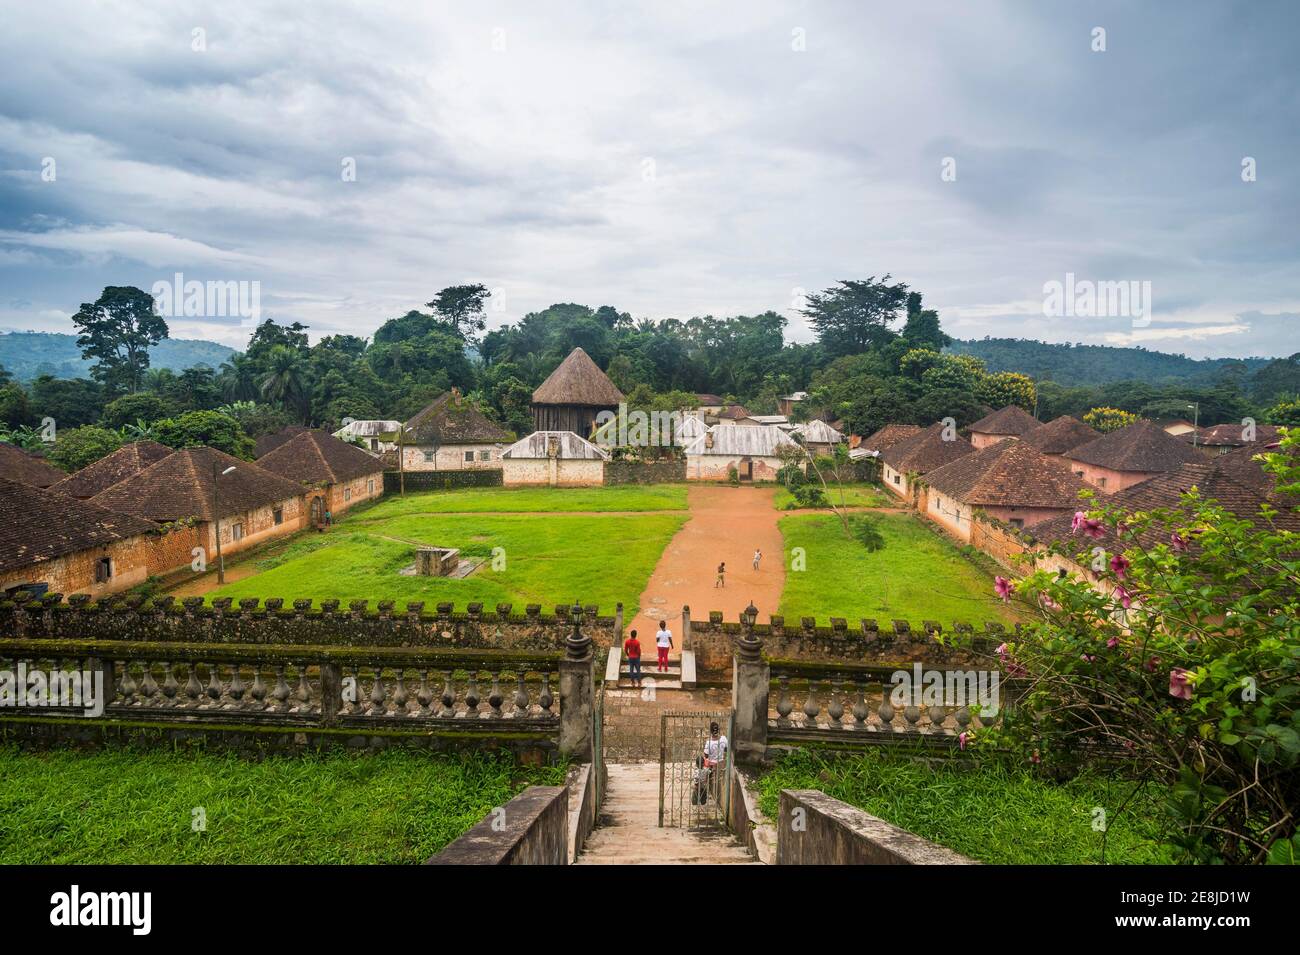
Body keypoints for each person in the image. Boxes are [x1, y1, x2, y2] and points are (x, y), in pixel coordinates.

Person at [696, 721, 729, 805]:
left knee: (701, 766)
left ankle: (701, 790)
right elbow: (727, 750)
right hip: (722, 763)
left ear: (710, 731)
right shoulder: (724, 739)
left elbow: (706, 755)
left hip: (712, 765)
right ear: (719, 730)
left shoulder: (709, 743)